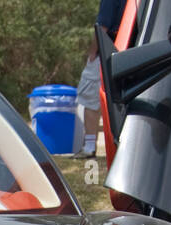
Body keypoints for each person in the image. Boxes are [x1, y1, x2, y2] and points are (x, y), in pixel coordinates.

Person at [73, 0, 126, 158]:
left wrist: (92, 53)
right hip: (127, 49)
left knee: (89, 99)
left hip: (107, 50)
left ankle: (89, 147)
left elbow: (102, 28)